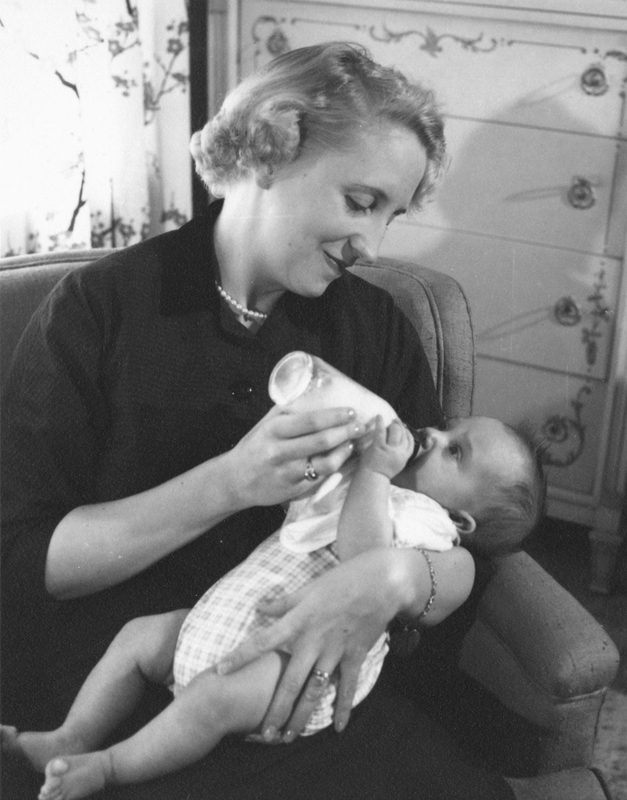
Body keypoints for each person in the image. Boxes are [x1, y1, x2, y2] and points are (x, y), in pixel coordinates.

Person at [1, 41, 521, 800]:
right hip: (127, 686)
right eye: (359, 201)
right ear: (268, 154)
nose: (371, 245)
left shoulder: (373, 331)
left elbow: (451, 531)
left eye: (392, 215)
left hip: (317, 686)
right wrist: (230, 483)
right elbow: (28, 561)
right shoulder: (99, 312)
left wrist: (397, 575)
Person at [3, 408, 543, 800]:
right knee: (140, 636)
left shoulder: (428, 525)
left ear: (463, 520)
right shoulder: (369, 481)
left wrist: (376, 474)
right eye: (451, 426)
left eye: (455, 451)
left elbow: (366, 566)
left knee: (210, 700)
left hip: (297, 665)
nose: (436, 434)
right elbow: (299, 504)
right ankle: (70, 735)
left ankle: (108, 767)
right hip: (233, 619)